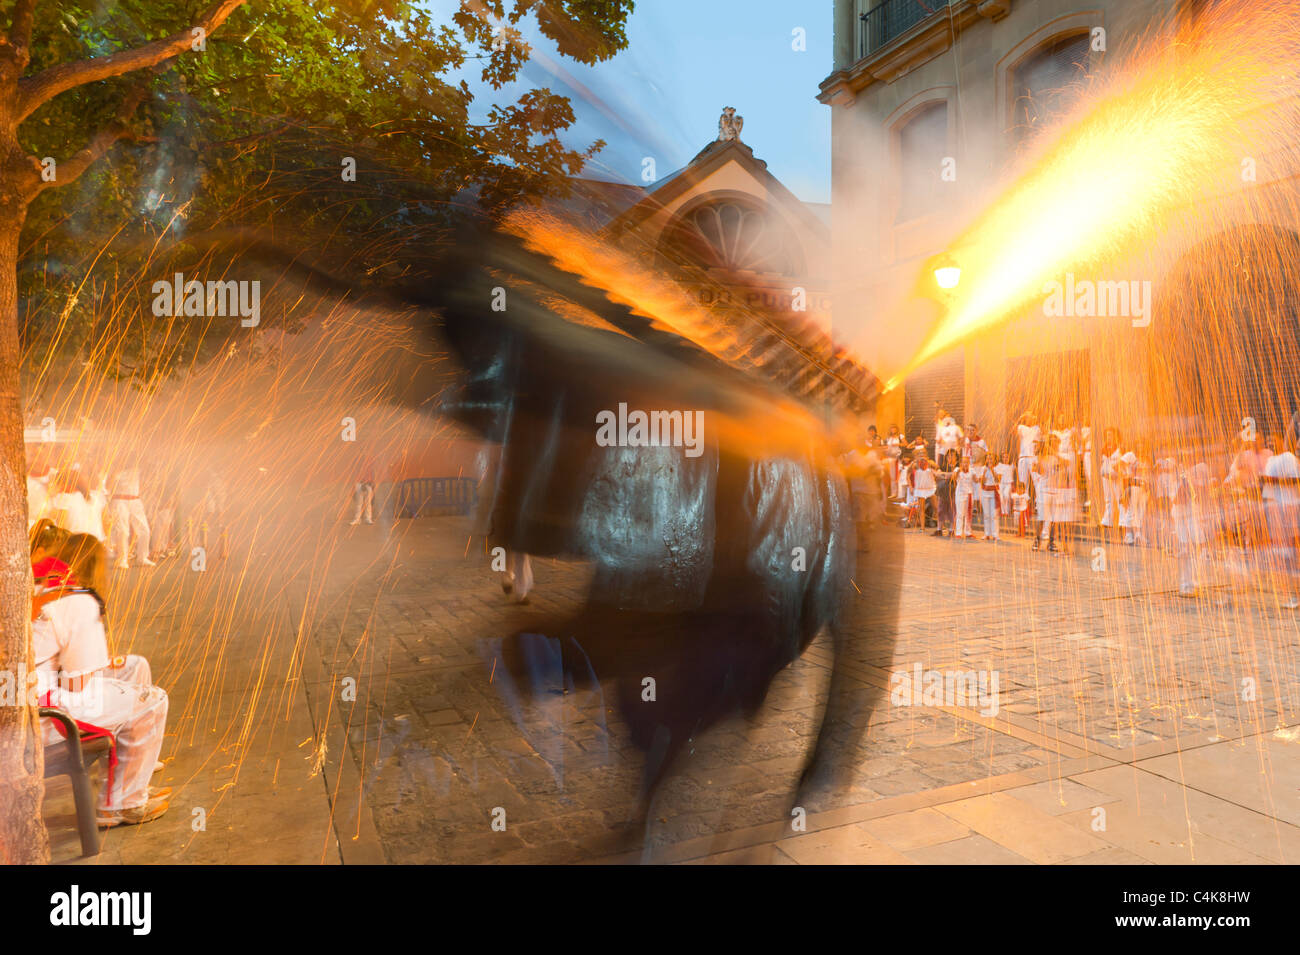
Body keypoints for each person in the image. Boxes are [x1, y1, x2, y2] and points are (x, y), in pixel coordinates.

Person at [32, 533, 170, 827]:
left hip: (32, 696)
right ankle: (121, 803)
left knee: (134, 666)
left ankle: (132, 777)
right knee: (151, 700)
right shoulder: (78, 600)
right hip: (42, 716)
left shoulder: (44, 586)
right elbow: (76, 685)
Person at [1261, 435, 1300, 608]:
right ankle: (1292, 594)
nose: (1270, 444)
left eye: (1273, 440)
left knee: (1293, 552)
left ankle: (1295, 595)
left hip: (1290, 508)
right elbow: (1267, 486)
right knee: (1284, 555)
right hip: (1277, 511)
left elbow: (1296, 480)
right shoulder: (1270, 460)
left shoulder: (1288, 457)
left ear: (1281, 442)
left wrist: (1274, 480)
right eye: (1268, 442)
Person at [108, 466, 154, 570]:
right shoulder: (117, 469)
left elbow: (145, 480)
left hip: (135, 500)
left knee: (144, 529)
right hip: (119, 500)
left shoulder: (137, 469)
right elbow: (108, 486)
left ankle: (142, 557)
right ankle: (122, 559)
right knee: (122, 531)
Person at [1098, 428, 1123, 529]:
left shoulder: (1120, 448)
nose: (1109, 437)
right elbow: (1102, 462)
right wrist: (1103, 473)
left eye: (1111, 435)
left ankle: (1123, 522)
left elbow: (1122, 462)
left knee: (1119, 498)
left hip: (1116, 476)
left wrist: (1117, 473)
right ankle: (1107, 521)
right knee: (1108, 498)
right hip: (1106, 476)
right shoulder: (1103, 448)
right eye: (1107, 435)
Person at [977, 452, 1002, 541]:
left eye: (991, 459)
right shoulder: (983, 468)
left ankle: (995, 534)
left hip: (994, 492)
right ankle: (987, 534)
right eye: (988, 459)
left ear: (994, 459)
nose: (989, 460)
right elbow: (982, 481)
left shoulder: (997, 468)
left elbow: (998, 479)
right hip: (985, 492)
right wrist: (984, 473)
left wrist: (992, 470)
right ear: (986, 460)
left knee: (994, 515)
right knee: (986, 514)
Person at [910, 454, 937, 530]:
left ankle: (940, 525)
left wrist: (930, 463)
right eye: (921, 457)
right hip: (920, 489)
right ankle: (922, 527)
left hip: (930, 488)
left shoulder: (930, 464)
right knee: (921, 509)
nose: (923, 459)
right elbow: (909, 472)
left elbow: (936, 469)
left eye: (924, 457)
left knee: (936, 507)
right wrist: (914, 462)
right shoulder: (916, 466)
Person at [953, 456, 976, 540]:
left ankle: (968, 532)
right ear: (961, 463)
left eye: (967, 462)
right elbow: (953, 478)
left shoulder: (972, 470)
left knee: (968, 514)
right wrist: (958, 471)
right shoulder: (957, 469)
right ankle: (958, 532)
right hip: (960, 494)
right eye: (964, 462)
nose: (965, 464)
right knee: (960, 513)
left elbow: (976, 480)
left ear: (969, 463)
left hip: (969, 493)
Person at [1016, 412, 1041, 487]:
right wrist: (1020, 418)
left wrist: (1037, 457)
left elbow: (1039, 442)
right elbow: (1014, 433)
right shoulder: (1021, 427)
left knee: (1038, 481)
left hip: (1033, 458)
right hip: (1023, 457)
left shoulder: (1037, 428)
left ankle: (1039, 495)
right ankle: (1024, 495)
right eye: (1027, 417)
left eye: (1030, 417)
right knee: (1023, 482)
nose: (1029, 419)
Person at [349, 457, 376, 526]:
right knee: (359, 503)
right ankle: (357, 519)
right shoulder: (358, 464)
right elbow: (355, 474)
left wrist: (372, 484)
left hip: (368, 484)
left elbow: (372, 475)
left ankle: (368, 518)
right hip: (360, 483)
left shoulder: (370, 465)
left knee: (368, 503)